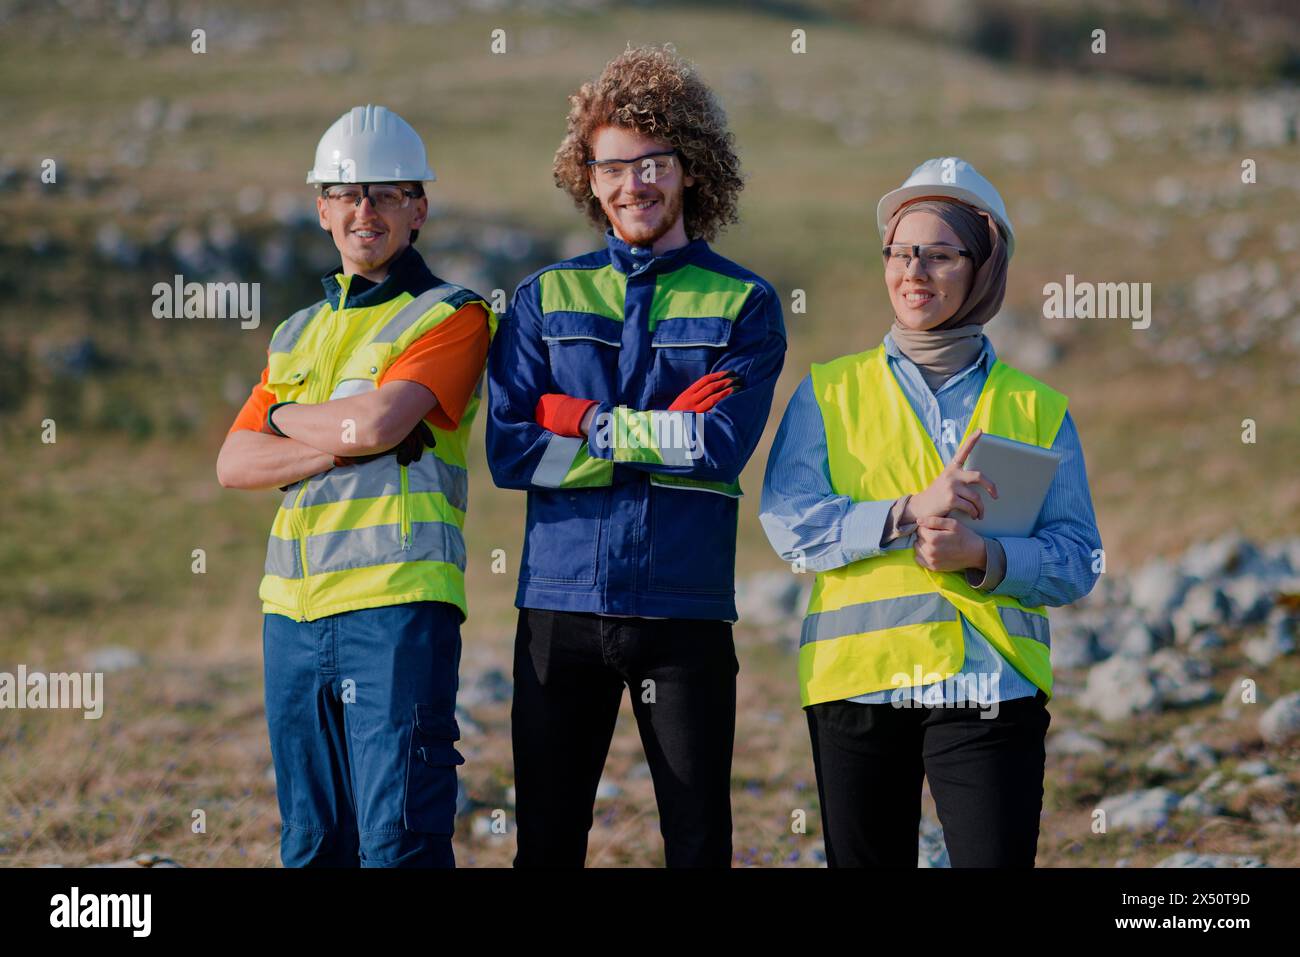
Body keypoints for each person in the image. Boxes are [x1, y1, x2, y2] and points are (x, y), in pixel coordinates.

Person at [486, 45, 786, 867]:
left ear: (689, 168)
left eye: (652, 163)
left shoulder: (747, 304)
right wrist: (656, 435)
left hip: (683, 609)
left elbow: (720, 446)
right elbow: (511, 451)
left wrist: (581, 421)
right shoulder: (544, 298)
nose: (633, 185)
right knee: (545, 844)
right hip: (558, 604)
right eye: (611, 166)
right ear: (587, 176)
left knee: (698, 843)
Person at [759, 157, 1102, 867]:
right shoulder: (829, 390)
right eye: (900, 251)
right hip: (859, 683)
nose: (913, 270)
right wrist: (909, 510)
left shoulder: (1036, 407)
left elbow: (1078, 558)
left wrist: (985, 558)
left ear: (982, 268)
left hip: (991, 685)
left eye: (940, 254)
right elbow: (789, 524)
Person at [216, 105, 495, 867]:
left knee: (396, 841)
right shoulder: (296, 332)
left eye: (385, 193)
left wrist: (284, 418)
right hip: (293, 619)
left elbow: (376, 424)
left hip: (397, 611)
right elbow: (234, 462)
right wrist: (328, 442)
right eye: (345, 193)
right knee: (311, 844)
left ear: (419, 208)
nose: (363, 210)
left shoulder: (452, 315)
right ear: (321, 210)